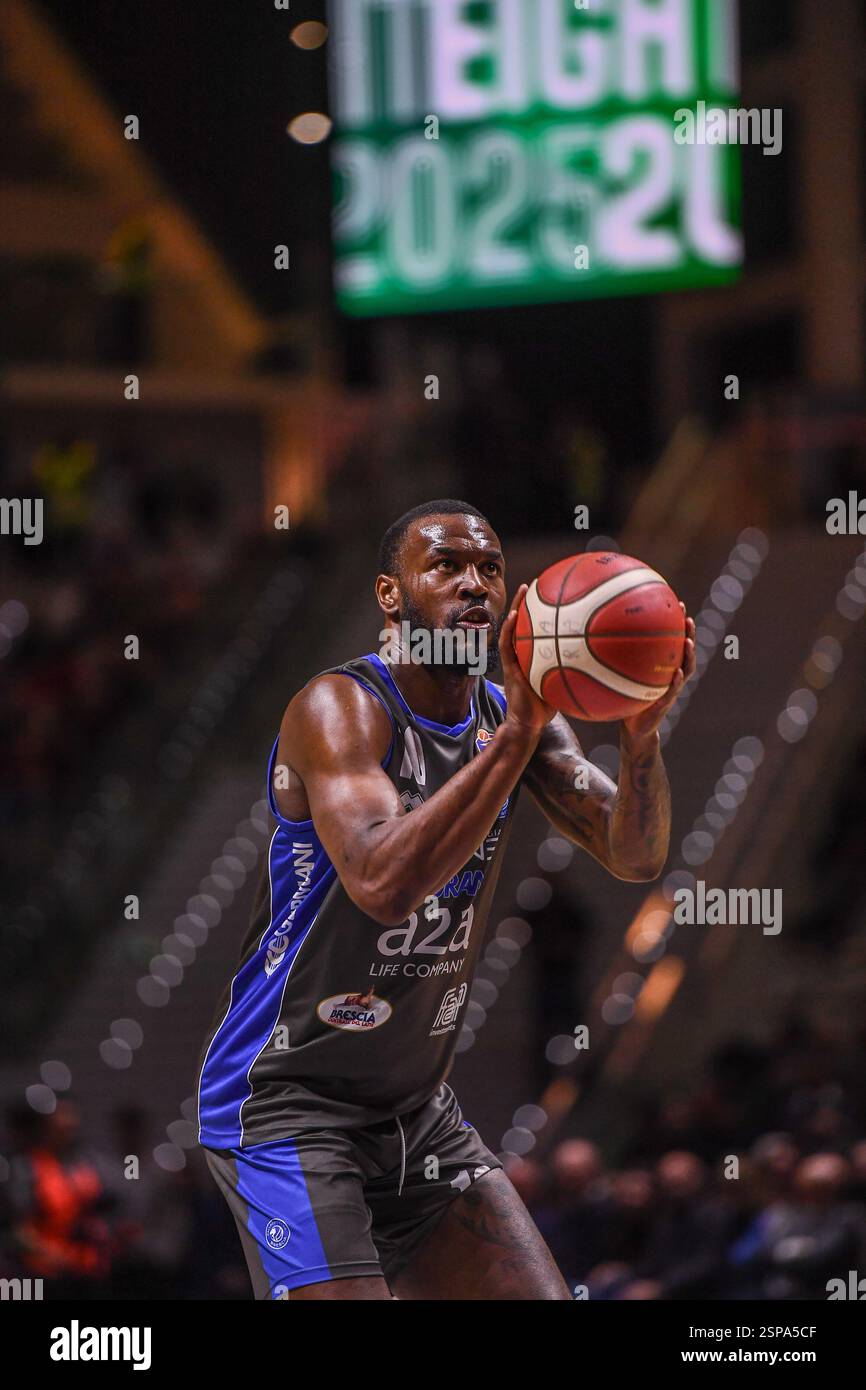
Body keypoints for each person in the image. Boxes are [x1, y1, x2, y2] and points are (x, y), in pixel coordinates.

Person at [197, 499, 695, 1300]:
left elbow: (635, 855)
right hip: (289, 1103)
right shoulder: (341, 708)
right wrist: (515, 738)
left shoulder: (509, 718)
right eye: (447, 567)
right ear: (391, 595)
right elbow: (383, 885)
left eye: (490, 568)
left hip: (417, 1110)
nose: (475, 585)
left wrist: (641, 737)